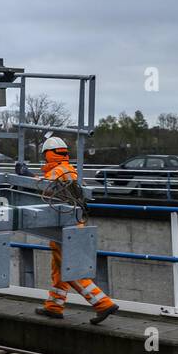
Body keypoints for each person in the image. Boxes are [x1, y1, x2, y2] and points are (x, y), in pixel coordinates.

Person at [34, 135, 119, 323]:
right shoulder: (66, 169)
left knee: (69, 268)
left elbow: (43, 188)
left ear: (49, 154)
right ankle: (54, 306)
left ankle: (102, 303)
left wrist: (25, 176)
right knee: (59, 268)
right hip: (69, 224)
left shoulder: (57, 171)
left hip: (63, 227)